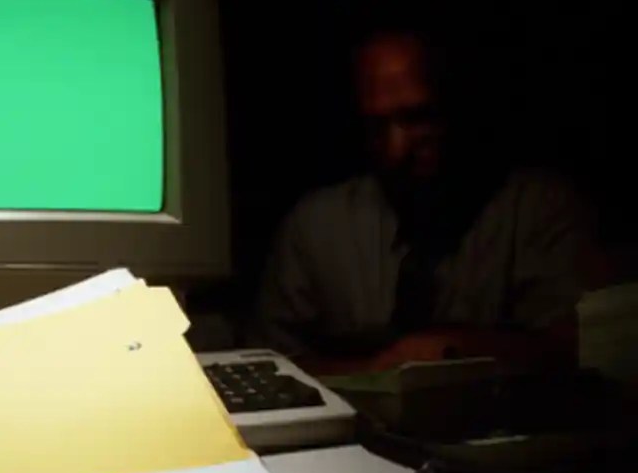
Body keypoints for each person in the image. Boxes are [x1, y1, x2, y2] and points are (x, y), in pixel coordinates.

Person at [252, 28, 609, 375]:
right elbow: (268, 363)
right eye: (376, 127)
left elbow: (583, 350)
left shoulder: (537, 211)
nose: (395, 151)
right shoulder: (316, 228)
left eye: (417, 119)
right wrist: (379, 372)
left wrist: (455, 352)